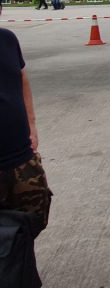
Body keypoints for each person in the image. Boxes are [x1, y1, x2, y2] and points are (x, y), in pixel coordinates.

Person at [0, 26, 53, 287]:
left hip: (21, 159)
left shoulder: (7, 39)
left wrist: (31, 123)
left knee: (30, 224)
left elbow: (21, 78)